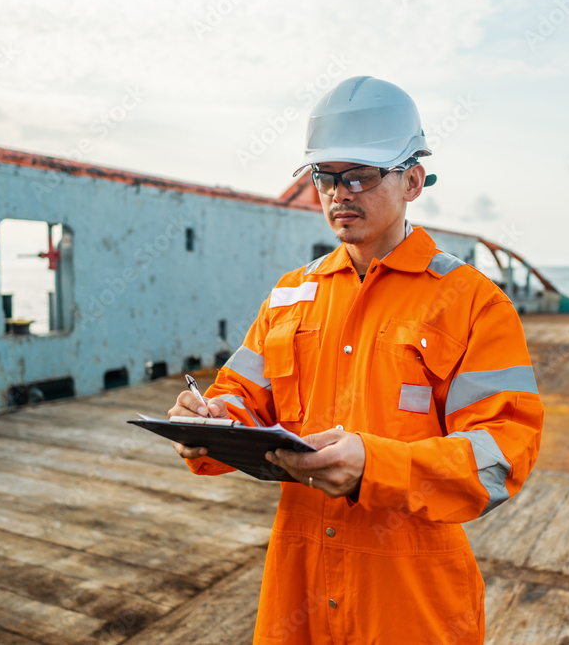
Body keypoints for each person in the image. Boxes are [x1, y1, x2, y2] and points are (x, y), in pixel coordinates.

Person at [168, 75, 544, 644]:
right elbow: (243, 401)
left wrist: (375, 466)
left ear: (413, 180)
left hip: (409, 603)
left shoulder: (473, 302)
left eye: (361, 176)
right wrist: (211, 420)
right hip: (300, 595)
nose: (340, 194)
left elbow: (501, 456)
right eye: (326, 176)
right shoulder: (290, 294)